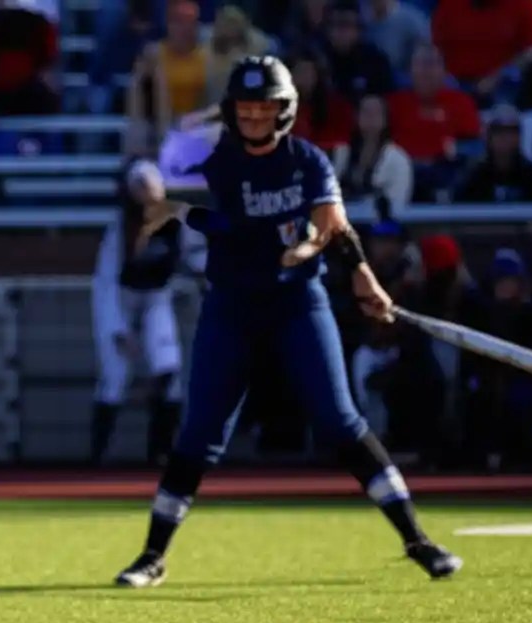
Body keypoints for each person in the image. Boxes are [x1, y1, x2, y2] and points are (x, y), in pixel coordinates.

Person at [113, 56, 462, 589]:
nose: (254, 117)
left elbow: (334, 226)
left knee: (339, 421)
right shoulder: (214, 160)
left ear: (286, 111)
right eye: (245, 108)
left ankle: (417, 539)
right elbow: (174, 172)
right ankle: (152, 555)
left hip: (297, 303)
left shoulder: (309, 162)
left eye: (265, 107)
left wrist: (364, 276)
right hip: (231, 306)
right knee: (200, 431)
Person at [90, 148, 184, 467]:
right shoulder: (119, 231)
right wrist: (118, 330)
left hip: (156, 299)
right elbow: (105, 284)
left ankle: (160, 451)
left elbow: (195, 259)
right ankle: (98, 455)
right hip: (122, 299)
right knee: (115, 377)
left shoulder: (174, 223)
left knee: (168, 371)